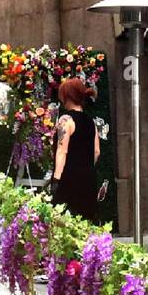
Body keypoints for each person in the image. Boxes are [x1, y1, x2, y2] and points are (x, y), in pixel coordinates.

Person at [50, 78, 101, 223]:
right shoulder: (90, 122)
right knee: (86, 222)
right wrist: (86, 168)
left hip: (69, 179)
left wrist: (56, 179)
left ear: (66, 96)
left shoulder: (66, 120)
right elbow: (96, 151)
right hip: (88, 178)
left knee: (64, 223)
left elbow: (62, 151)